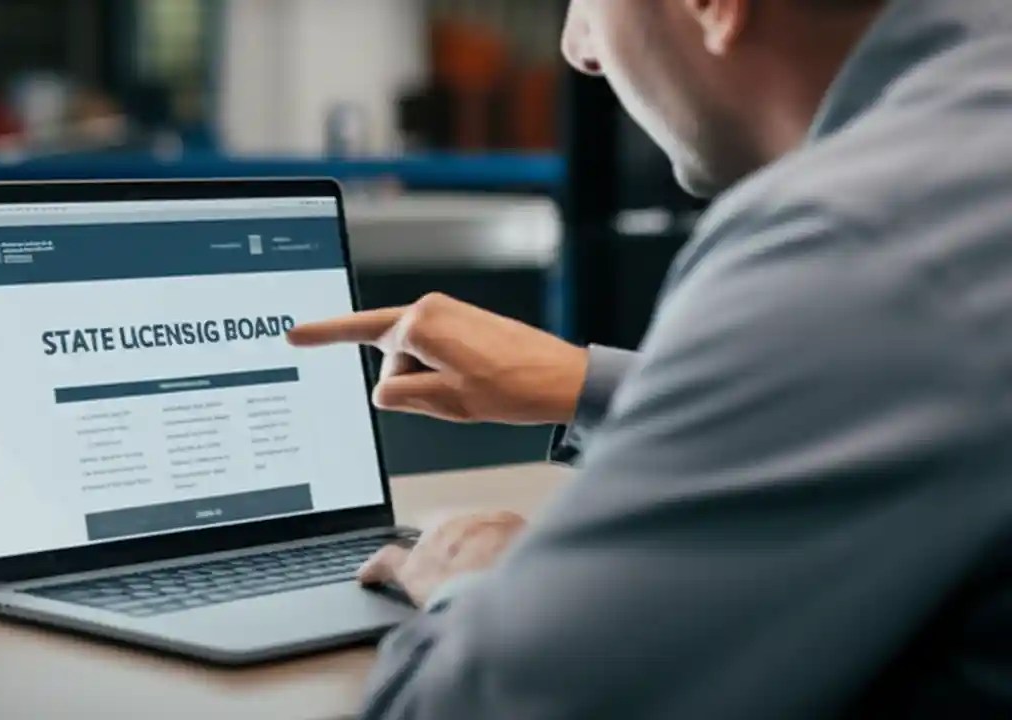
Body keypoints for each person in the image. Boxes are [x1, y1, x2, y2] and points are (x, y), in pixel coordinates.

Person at [286, 0, 1012, 717]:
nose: (579, 49)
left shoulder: (856, 236)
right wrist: (586, 382)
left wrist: (471, 583)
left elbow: (469, 705)